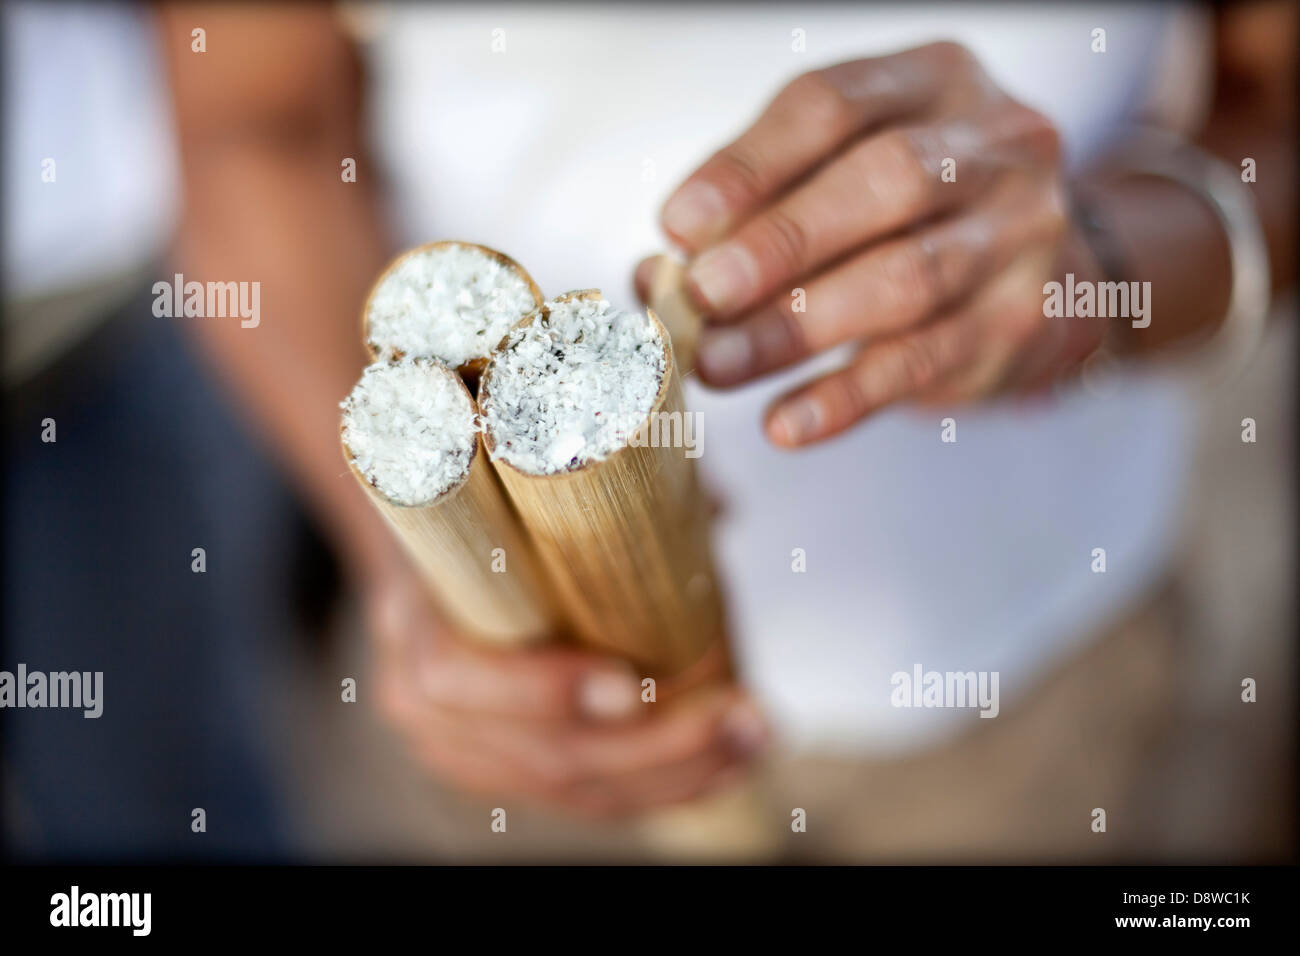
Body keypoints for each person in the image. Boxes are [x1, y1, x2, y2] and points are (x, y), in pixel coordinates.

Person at [148, 1, 1292, 825]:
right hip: (517, 696)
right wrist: (411, 561)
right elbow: (253, 122)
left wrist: (1099, 268)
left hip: (1032, 669)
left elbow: (1276, 109)